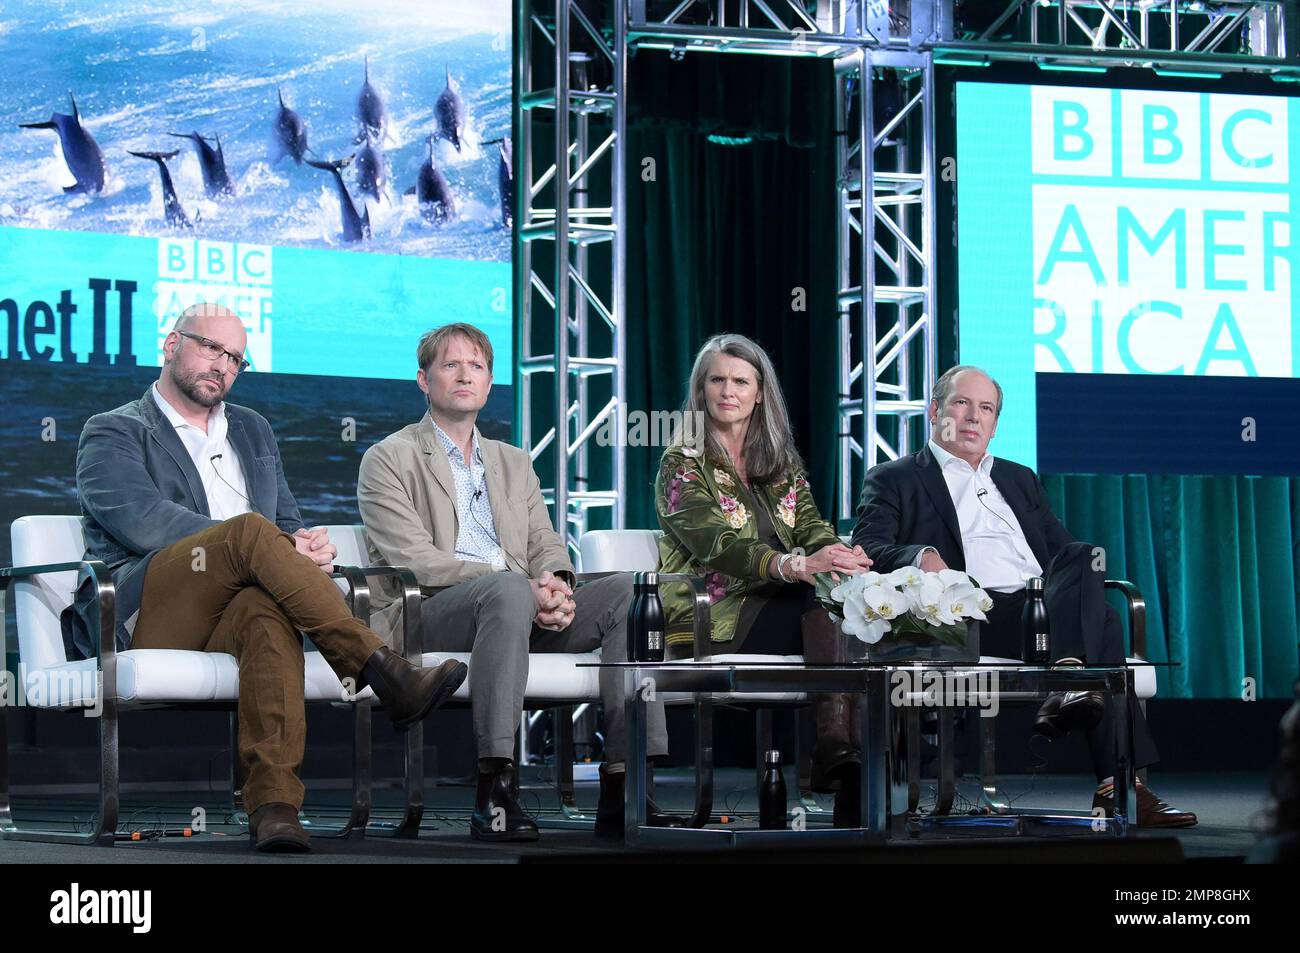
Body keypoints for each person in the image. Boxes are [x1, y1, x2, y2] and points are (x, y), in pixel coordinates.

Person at [70, 303, 467, 853]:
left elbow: (285, 523)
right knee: (250, 536)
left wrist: (305, 546)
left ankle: (275, 807)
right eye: (211, 347)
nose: (222, 366)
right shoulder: (113, 430)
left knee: (265, 612)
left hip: (233, 604)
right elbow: (143, 521)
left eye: (236, 358)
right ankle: (385, 669)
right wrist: (272, 543)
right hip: (143, 608)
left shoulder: (253, 430)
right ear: (170, 343)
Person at [357, 322, 680, 841]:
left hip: (515, 608)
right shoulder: (387, 458)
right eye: (450, 365)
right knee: (507, 590)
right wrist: (515, 583)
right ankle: (495, 791)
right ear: (423, 380)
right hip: (431, 613)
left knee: (628, 590)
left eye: (477, 366)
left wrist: (555, 584)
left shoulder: (513, 461)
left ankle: (626, 783)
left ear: (488, 384)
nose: (465, 375)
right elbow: (412, 560)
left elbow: (544, 540)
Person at [851, 364, 1196, 827]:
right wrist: (922, 556)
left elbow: (1066, 554)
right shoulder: (895, 477)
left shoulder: (1018, 478)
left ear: (995, 424)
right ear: (935, 411)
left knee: (1084, 556)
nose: (973, 417)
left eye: (986, 409)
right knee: (1108, 625)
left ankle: (1070, 681)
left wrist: (1075, 577)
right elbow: (868, 549)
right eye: (961, 403)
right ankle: (1120, 782)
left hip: (1041, 611)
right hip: (972, 613)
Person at [654, 333, 873, 826]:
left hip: (784, 604)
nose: (727, 390)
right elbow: (718, 546)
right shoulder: (681, 464)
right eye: (717, 380)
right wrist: (795, 566)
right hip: (713, 611)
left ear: (760, 393)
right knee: (826, 604)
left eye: (740, 381)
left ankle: (846, 762)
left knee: (848, 602)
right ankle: (838, 754)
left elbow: (810, 526)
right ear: (701, 390)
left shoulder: (779, 463)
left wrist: (835, 553)